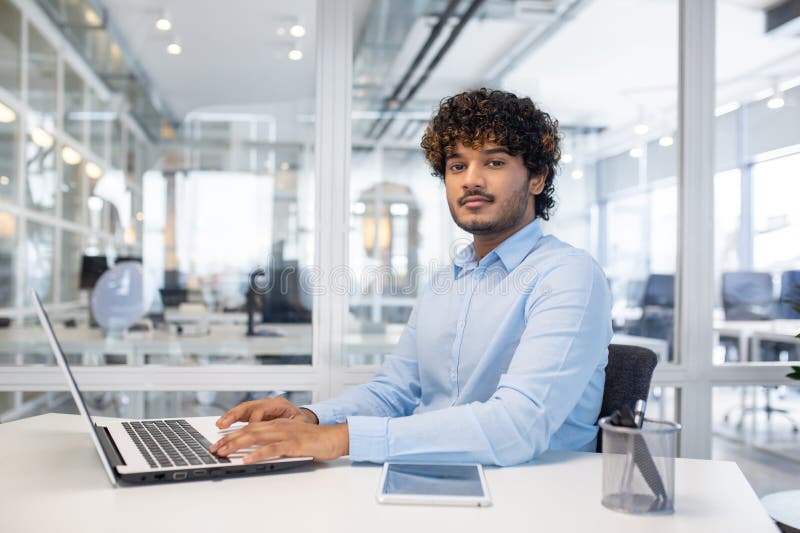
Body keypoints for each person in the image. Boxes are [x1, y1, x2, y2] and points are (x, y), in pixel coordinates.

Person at [210, 88, 613, 466]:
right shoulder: (446, 281)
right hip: (430, 471)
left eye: (494, 161)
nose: (471, 178)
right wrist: (311, 418)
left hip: (536, 492)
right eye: (457, 165)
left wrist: (340, 438)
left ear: (537, 178)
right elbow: (396, 391)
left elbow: (516, 427)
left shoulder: (568, 276)